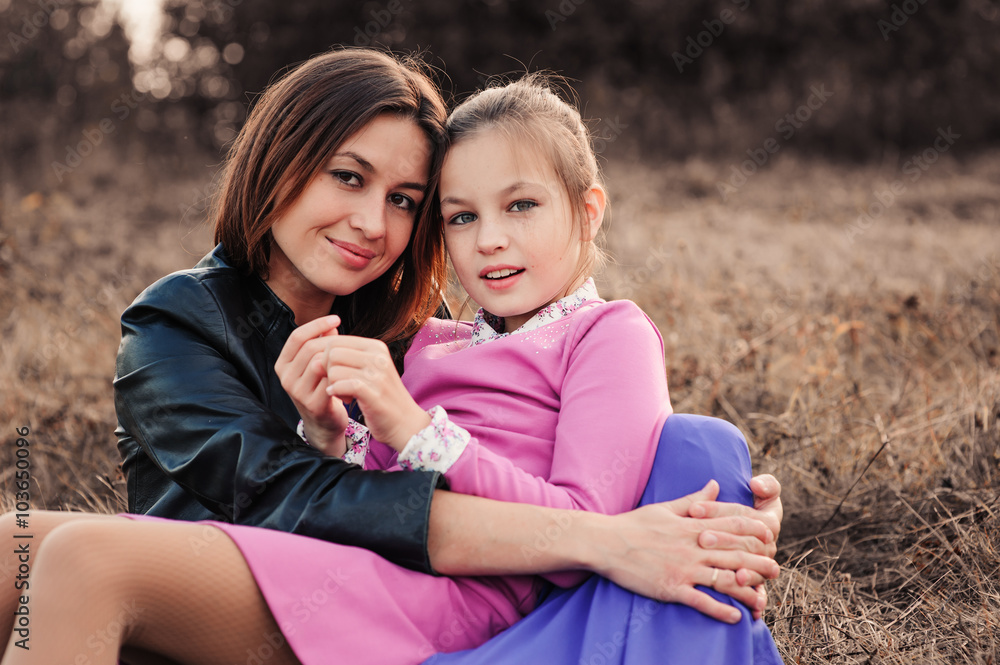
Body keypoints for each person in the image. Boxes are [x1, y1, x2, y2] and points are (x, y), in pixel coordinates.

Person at [0, 50, 780, 664]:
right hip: (273, 567)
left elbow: (576, 431)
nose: (373, 223)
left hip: (367, 592)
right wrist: (334, 437)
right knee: (13, 543)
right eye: (348, 176)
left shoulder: (415, 328)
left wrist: (725, 506)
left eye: (405, 199)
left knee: (82, 559)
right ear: (280, 163)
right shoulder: (180, 319)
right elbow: (302, 499)